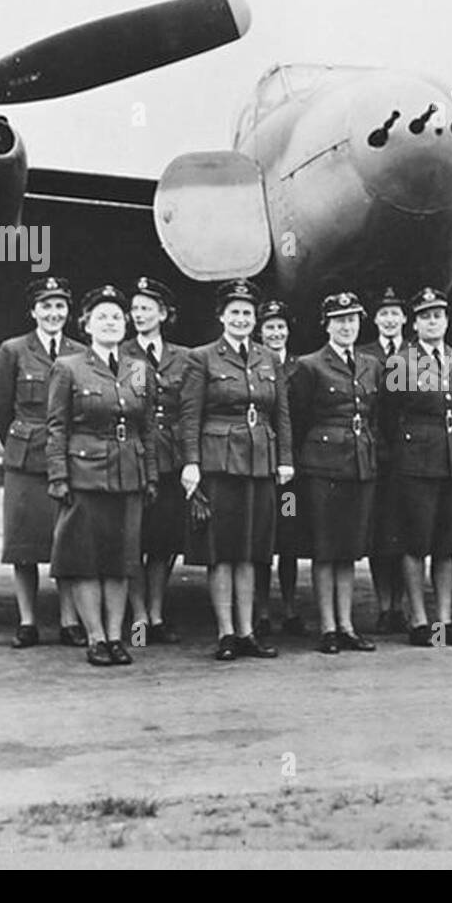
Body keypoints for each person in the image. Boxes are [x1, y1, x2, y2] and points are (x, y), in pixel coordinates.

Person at [180, 279, 293, 662]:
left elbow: (281, 414)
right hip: (219, 462)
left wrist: (285, 459)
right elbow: (190, 415)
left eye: (248, 313)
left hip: (260, 463)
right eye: (235, 313)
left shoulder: (268, 358)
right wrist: (191, 462)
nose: (242, 318)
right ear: (221, 317)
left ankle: (247, 632)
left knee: (251, 551)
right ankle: (225, 632)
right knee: (221, 552)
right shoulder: (202, 358)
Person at [46, 285, 158, 667]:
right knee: (86, 561)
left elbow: (147, 423)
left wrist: (151, 474)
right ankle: (95, 637)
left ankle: (116, 636)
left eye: (116, 316)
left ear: (126, 323)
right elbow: (56, 426)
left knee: (122, 561)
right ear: (86, 324)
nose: (110, 322)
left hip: (129, 472)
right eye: (101, 317)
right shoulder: (69, 367)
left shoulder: (139, 369)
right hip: (85, 473)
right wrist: (59, 477)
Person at [0, 275, 85, 649]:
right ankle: (27, 622)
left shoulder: (80, 350)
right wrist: (18, 441)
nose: (53, 313)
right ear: (33, 311)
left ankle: (69, 621)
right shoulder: (12, 350)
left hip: (68, 457)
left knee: (68, 544)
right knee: (23, 547)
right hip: (26, 459)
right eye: (46, 306)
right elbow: (0, 406)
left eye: (60, 306)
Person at [288, 292, 383, 655]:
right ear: (326, 325)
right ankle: (328, 626)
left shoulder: (371, 364)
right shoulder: (310, 366)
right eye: (340, 320)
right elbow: (298, 420)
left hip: (360, 464)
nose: (347, 326)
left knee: (349, 550)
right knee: (325, 551)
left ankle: (347, 624)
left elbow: (375, 414)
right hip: (323, 467)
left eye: (353, 320)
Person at [380, 287, 452, 647]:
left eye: (438, 315)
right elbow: (389, 417)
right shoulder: (400, 362)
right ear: (415, 324)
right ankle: (419, 621)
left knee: (446, 546)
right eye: (425, 316)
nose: (433, 322)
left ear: (446, 320)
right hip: (415, 462)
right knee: (415, 543)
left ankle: (445, 621)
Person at [120, 276, 188, 645]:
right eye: (135, 309)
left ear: (163, 313)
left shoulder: (182, 357)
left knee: (164, 542)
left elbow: (189, 410)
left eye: (147, 308)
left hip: (171, 460)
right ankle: (140, 619)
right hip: (135, 456)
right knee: (133, 541)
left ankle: (157, 614)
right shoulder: (124, 354)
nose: (139, 314)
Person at [253, 298, 306, 638]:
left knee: (288, 537)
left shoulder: (301, 369)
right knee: (260, 536)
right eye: (269, 327)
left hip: (291, 472)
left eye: (280, 327)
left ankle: (289, 607)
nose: (275, 333)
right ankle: (259, 611)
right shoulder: (255, 365)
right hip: (259, 465)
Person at [359, 287, 409, 634]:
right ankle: (383, 604)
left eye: (396, 314)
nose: (390, 320)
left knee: (406, 531)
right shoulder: (363, 356)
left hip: (411, 454)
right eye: (384, 314)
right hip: (377, 453)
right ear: (376, 320)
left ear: (405, 319)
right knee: (380, 533)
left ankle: (402, 606)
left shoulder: (416, 354)